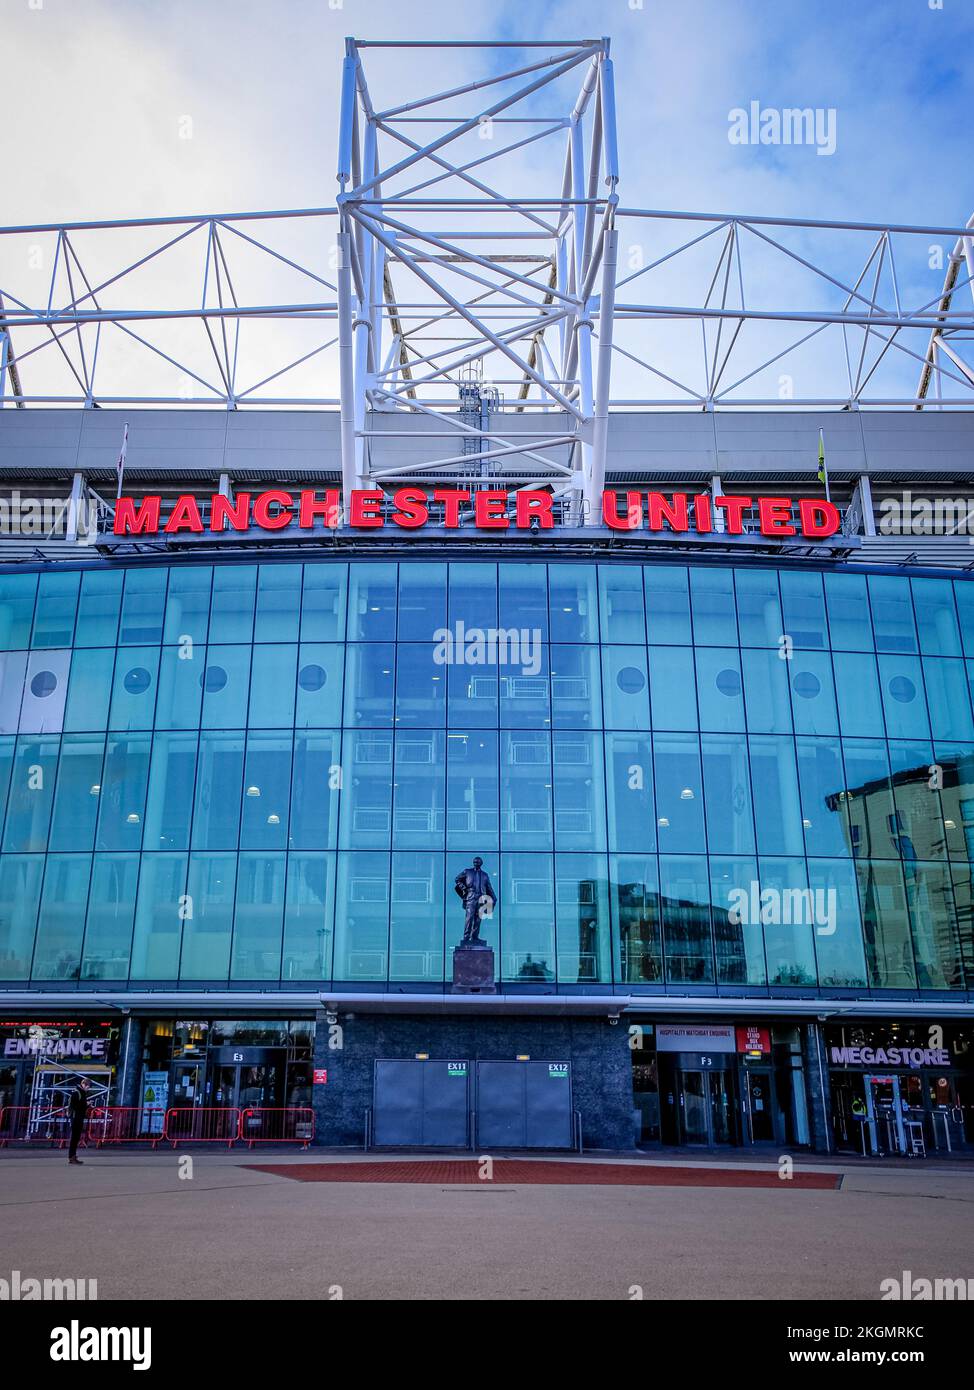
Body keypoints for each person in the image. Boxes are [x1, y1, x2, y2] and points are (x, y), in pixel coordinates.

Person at [67, 1078, 91, 1165]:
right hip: (75, 1117)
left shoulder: (81, 1093)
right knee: (74, 1138)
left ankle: (73, 1156)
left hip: (78, 1117)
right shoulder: (77, 1093)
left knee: (76, 1138)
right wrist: (85, 1105)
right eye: (88, 1086)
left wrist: (85, 1105)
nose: (88, 1088)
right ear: (84, 1084)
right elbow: (74, 1105)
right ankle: (71, 1156)